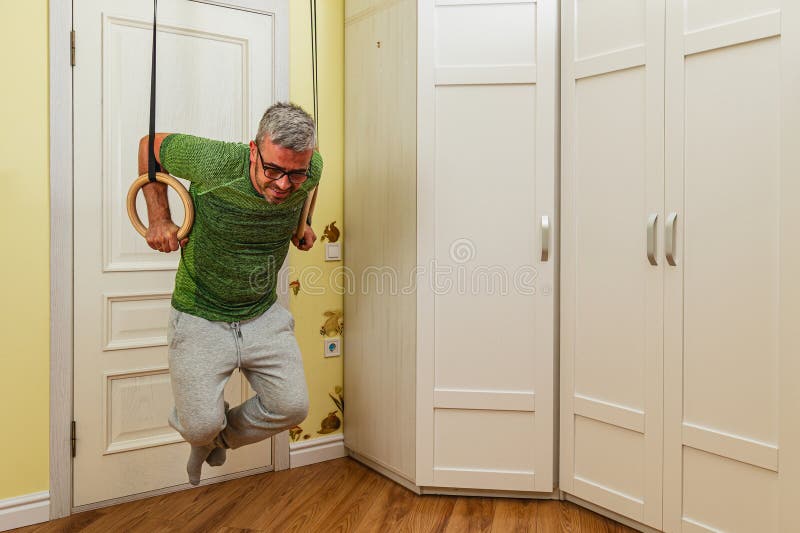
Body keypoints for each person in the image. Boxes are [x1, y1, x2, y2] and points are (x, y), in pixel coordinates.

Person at [138, 102, 321, 485]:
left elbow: (311, 184)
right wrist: (158, 218)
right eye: (273, 169)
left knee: (291, 407)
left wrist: (303, 224)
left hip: (262, 314)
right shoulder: (215, 162)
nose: (284, 184)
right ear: (254, 150)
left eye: (296, 173)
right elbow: (149, 145)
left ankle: (213, 438)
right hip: (199, 313)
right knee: (198, 425)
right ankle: (201, 433)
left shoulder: (312, 167)